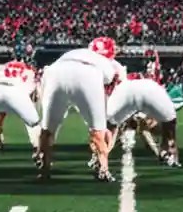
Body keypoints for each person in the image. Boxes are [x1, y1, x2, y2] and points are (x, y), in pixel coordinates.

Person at [36, 37, 124, 181]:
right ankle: (104, 169)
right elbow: (108, 86)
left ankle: (44, 168)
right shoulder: (107, 63)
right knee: (98, 131)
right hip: (87, 75)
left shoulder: (75, 52)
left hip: (55, 72)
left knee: (47, 130)